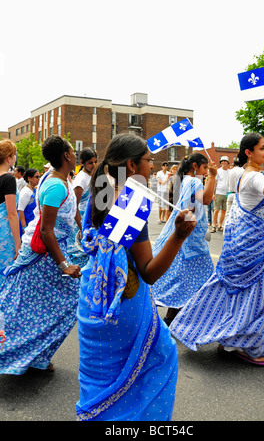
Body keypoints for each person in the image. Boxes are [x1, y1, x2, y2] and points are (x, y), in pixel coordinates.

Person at [76, 133, 196, 421]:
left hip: (93, 297)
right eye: (148, 161)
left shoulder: (100, 192)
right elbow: (149, 272)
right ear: (131, 165)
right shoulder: (131, 203)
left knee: (101, 379)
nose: (152, 167)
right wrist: (178, 236)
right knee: (161, 358)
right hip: (123, 301)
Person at [170, 132, 264, 366]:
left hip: (242, 240)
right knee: (260, 296)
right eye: (262, 148)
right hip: (252, 246)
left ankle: (221, 335)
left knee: (235, 291)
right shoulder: (253, 178)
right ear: (248, 152)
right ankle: (245, 343)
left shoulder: (240, 173)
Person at [0, 135, 81, 375]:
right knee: (31, 309)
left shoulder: (55, 178)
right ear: (67, 156)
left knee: (36, 308)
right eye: (72, 151)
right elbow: (46, 230)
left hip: (46, 252)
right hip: (43, 256)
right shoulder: (55, 184)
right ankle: (24, 354)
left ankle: (37, 356)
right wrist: (64, 264)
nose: (75, 154)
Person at [152, 153, 217, 325]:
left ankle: (172, 317)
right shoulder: (194, 181)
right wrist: (213, 176)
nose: (205, 172)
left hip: (185, 235)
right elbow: (207, 199)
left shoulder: (183, 180)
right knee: (201, 277)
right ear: (195, 166)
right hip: (191, 238)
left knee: (182, 278)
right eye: (204, 169)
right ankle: (189, 319)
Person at [67, 147, 97, 267]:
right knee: (79, 255)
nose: (94, 165)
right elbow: (74, 207)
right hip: (79, 222)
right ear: (82, 163)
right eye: (90, 163)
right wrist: (81, 228)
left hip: (89, 220)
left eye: (95, 162)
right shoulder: (81, 180)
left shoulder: (92, 176)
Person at [0, 140, 21, 285]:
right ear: (9, 158)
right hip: (4, 233)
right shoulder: (8, 179)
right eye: (14, 155)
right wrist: (18, 243)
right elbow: (12, 213)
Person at [17, 168, 40, 236]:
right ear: (29, 178)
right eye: (36, 177)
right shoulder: (26, 192)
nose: (39, 179)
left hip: (32, 222)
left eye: (39, 177)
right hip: (26, 223)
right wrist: (24, 227)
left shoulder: (34, 189)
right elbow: (20, 210)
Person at [211, 155, 229, 232]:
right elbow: (214, 182)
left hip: (227, 193)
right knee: (216, 210)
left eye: (225, 161)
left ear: (228, 162)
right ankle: (214, 226)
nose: (223, 162)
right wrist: (213, 193)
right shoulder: (218, 171)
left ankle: (220, 225)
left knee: (224, 211)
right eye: (222, 161)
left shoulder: (230, 172)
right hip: (218, 192)